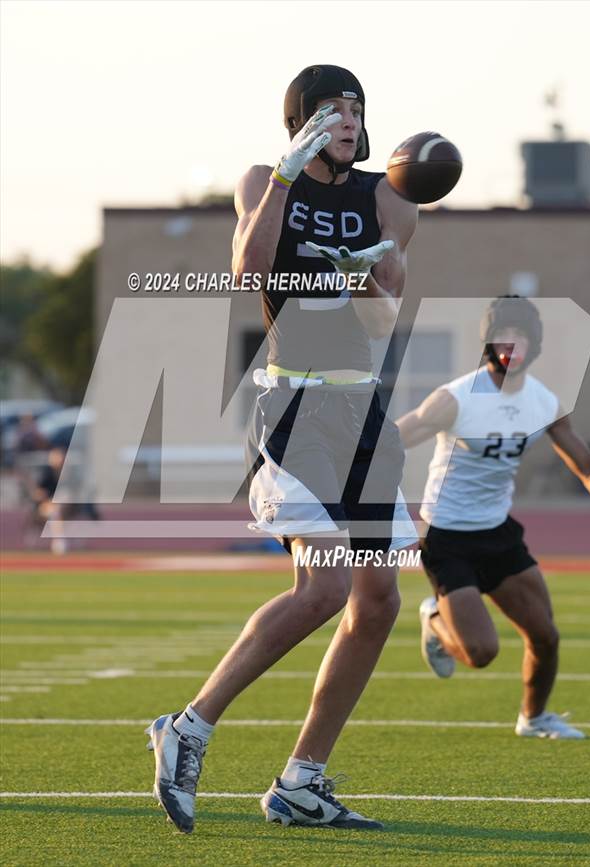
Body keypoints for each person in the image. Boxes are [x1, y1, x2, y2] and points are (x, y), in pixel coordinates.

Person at [146, 65, 418, 833]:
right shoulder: (268, 178)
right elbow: (248, 270)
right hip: (294, 395)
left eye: (358, 107)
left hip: (361, 403)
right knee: (326, 586)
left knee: (377, 601)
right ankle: (189, 725)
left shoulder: (388, 195)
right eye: (333, 107)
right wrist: (286, 183)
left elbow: (386, 306)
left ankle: (302, 780)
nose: (350, 119)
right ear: (300, 119)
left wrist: (369, 272)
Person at [396, 295, 590, 739]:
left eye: (521, 339)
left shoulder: (543, 400)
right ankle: (434, 619)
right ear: (488, 344)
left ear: (535, 346)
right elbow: (396, 438)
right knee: (481, 653)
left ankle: (534, 718)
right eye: (503, 339)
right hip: (447, 536)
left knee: (545, 636)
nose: (512, 348)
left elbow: (586, 465)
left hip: (499, 533)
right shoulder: (456, 397)